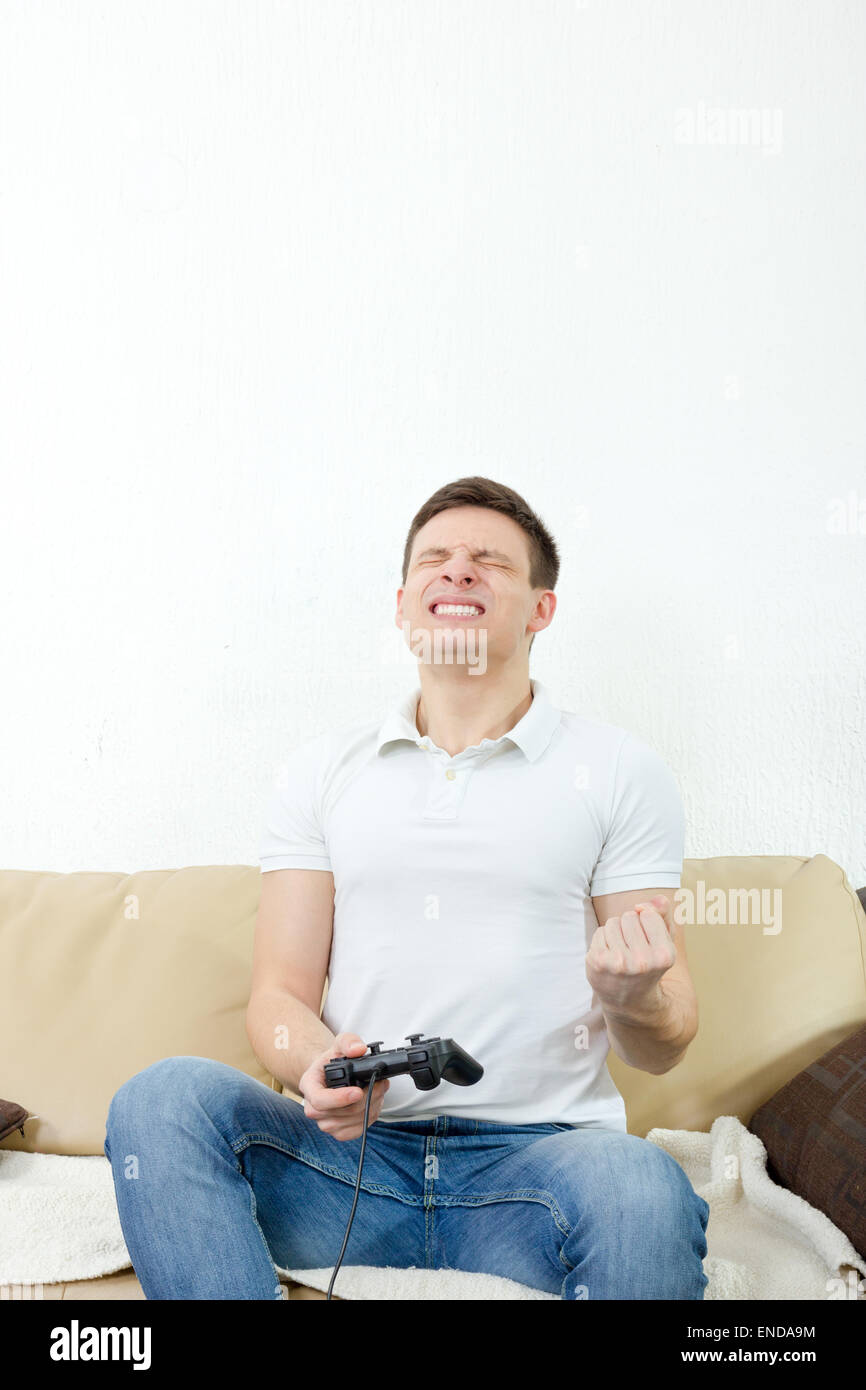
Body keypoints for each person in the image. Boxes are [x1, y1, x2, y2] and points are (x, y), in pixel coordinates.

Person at [104, 475, 709, 1299]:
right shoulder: (323, 771)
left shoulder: (619, 772)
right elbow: (277, 997)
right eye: (437, 558)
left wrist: (632, 996)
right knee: (162, 1100)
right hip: (351, 1171)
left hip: (539, 1171)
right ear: (402, 605)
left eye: (489, 562)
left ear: (541, 609)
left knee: (641, 1185)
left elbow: (664, 1040)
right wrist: (324, 1067)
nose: (458, 572)